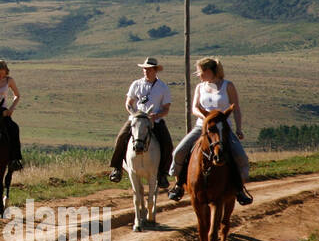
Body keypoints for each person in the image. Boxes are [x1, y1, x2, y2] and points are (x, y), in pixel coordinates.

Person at [167, 57, 253, 205]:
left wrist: (238, 128)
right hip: (202, 127)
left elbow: (236, 108)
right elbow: (194, 108)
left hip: (223, 128)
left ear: (208, 71)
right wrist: (206, 117)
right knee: (179, 152)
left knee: (240, 157)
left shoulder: (228, 86)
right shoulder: (200, 87)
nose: (199, 75)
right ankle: (179, 184)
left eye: (200, 72)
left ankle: (239, 189)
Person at [108, 56, 174, 190]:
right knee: (121, 137)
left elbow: (166, 108)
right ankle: (117, 168)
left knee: (167, 143)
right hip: (137, 119)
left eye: (149, 69)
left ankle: (162, 173)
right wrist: (132, 112)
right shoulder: (136, 84)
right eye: (144, 69)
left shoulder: (162, 87)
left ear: (155, 70)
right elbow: (129, 102)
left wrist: (157, 115)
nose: (146, 71)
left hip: (155, 120)